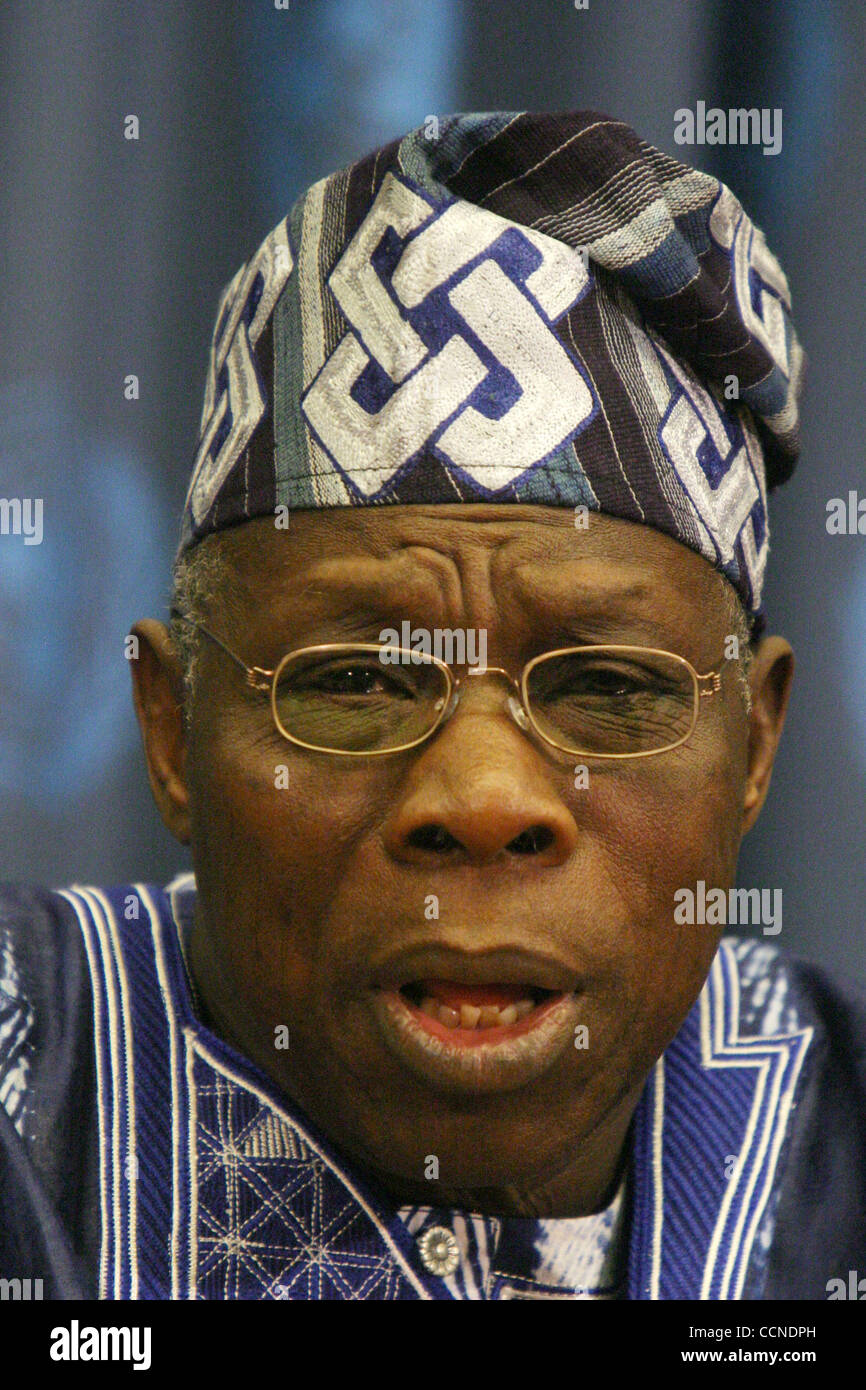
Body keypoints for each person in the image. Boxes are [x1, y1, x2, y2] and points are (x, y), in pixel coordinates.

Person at [2, 110, 864, 1302]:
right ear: (173, 729)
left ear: (753, 742)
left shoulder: (833, 1138)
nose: (480, 798)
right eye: (353, 682)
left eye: (609, 688)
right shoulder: (26, 1074)